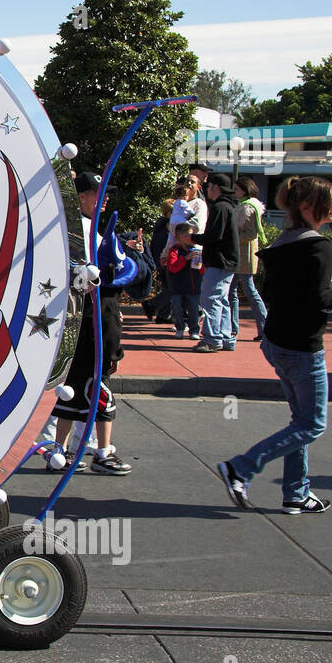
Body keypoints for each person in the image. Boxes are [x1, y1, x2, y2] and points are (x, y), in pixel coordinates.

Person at [217, 177, 332, 514]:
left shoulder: (283, 243)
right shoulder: (318, 246)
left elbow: (273, 294)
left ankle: (296, 493)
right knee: (312, 424)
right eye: (331, 201)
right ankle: (241, 467)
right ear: (308, 206)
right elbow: (321, 297)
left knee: (299, 421)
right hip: (302, 347)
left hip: (276, 341)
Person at [48, 172, 142, 475]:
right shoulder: (81, 230)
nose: (104, 199)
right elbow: (91, 276)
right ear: (82, 196)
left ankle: (60, 449)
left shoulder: (85, 228)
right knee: (98, 381)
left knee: (76, 383)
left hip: (91, 312)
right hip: (92, 314)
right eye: (97, 192)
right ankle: (102, 452)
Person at [191, 173, 239, 352]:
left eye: (209, 186)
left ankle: (212, 338)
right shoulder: (228, 206)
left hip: (219, 260)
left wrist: (192, 238)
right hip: (227, 260)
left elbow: (214, 235)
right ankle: (225, 337)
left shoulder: (219, 207)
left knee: (210, 298)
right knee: (221, 299)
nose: (207, 190)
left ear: (215, 188)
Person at [230, 176, 269, 342]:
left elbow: (251, 233)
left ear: (244, 190)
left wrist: (232, 239)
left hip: (244, 256)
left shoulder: (248, 207)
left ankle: (264, 327)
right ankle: (232, 328)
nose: (234, 192)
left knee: (249, 292)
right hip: (238, 255)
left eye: (236, 189)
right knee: (231, 292)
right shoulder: (244, 206)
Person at [165, 222, 202, 339]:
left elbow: (201, 269)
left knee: (193, 309)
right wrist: (185, 259)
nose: (188, 239)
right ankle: (180, 327)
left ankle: (194, 330)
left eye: (190, 236)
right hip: (178, 286)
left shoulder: (196, 250)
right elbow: (172, 267)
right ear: (177, 237)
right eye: (185, 236)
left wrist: (201, 262)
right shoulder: (174, 250)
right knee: (177, 307)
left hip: (193, 286)